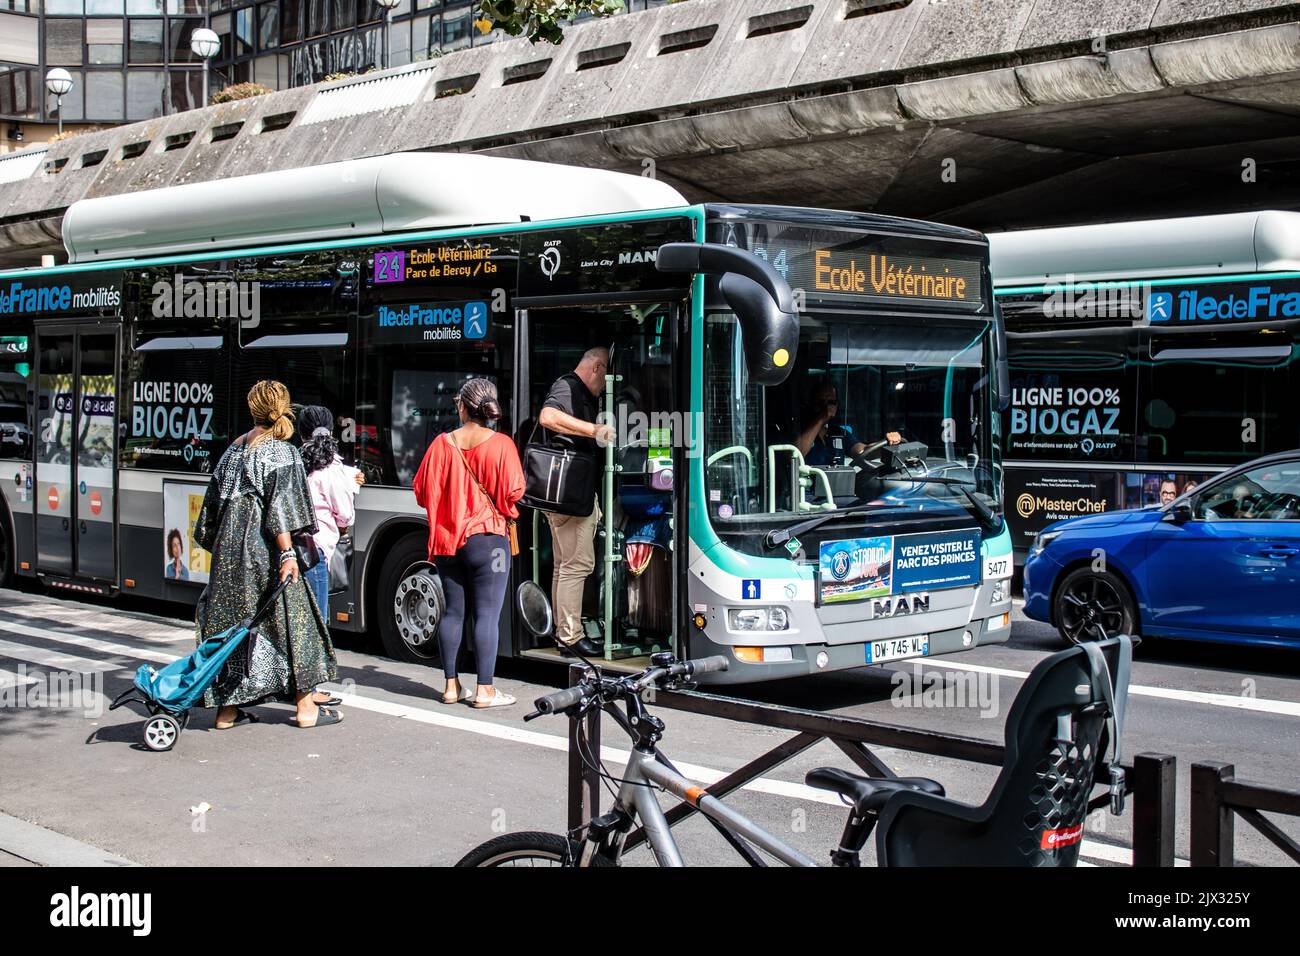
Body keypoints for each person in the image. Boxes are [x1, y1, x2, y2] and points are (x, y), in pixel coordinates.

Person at [192, 381, 342, 730]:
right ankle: (306, 709)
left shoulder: (232, 450)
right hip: (266, 553)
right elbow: (281, 512)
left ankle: (227, 712)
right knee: (296, 623)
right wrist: (288, 553)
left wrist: (223, 549)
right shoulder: (281, 451)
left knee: (233, 629)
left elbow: (211, 509)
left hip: (228, 556)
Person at [413, 378, 524, 708]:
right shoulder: (502, 444)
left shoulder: (441, 444)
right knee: (487, 614)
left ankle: (450, 686)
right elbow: (515, 492)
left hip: (448, 541)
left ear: (462, 407)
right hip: (488, 541)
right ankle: (485, 690)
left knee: (453, 613)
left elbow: (421, 493)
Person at [536, 347, 615, 657]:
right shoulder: (568, 386)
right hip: (570, 494)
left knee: (563, 566)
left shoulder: (576, 391)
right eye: (605, 375)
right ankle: (570, 637)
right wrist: (595, 430)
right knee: (576, 566)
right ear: (596, 367)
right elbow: (548, 416)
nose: (605, 384)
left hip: (566, 495)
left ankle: (563, 633)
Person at [298, 405, 364, 616]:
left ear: (301, 434)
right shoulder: (331, 468)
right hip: (314, 552)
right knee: (317, 624)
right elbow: (345, 515)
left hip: (289, 551)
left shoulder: (295, 463)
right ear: (331, 432)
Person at [796, 379, 867, 466]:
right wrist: (821, 419)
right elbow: (796, 455)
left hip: (836, 479)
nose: (826, 407)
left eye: (831, 402)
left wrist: (885, 444)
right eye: (821, 402)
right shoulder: (800, 430)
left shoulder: (838, 432)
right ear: (811, 403)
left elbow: (861, 451)